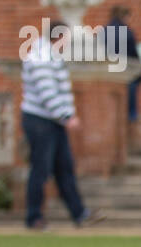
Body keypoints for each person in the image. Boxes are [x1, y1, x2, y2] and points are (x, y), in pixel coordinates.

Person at [20, 20, 105, 230]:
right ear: (58, 36)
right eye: (66, 38)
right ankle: (34, 216)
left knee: (64, 168)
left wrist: (64, 116)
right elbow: (47, 92)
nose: (67, 43)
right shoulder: (41, 56)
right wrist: (66, 116)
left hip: (52, 121)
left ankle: (79, 213)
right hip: (40, 120)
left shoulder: (51, 56)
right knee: (41, 169)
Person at [106, 5, 141, 148]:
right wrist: (139, 75)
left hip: (108, 78)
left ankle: (112, 144)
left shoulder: (103, 32)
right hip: (127, 77)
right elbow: (134, 56)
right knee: (130, 112)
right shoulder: (127, 32)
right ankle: (129, 144)